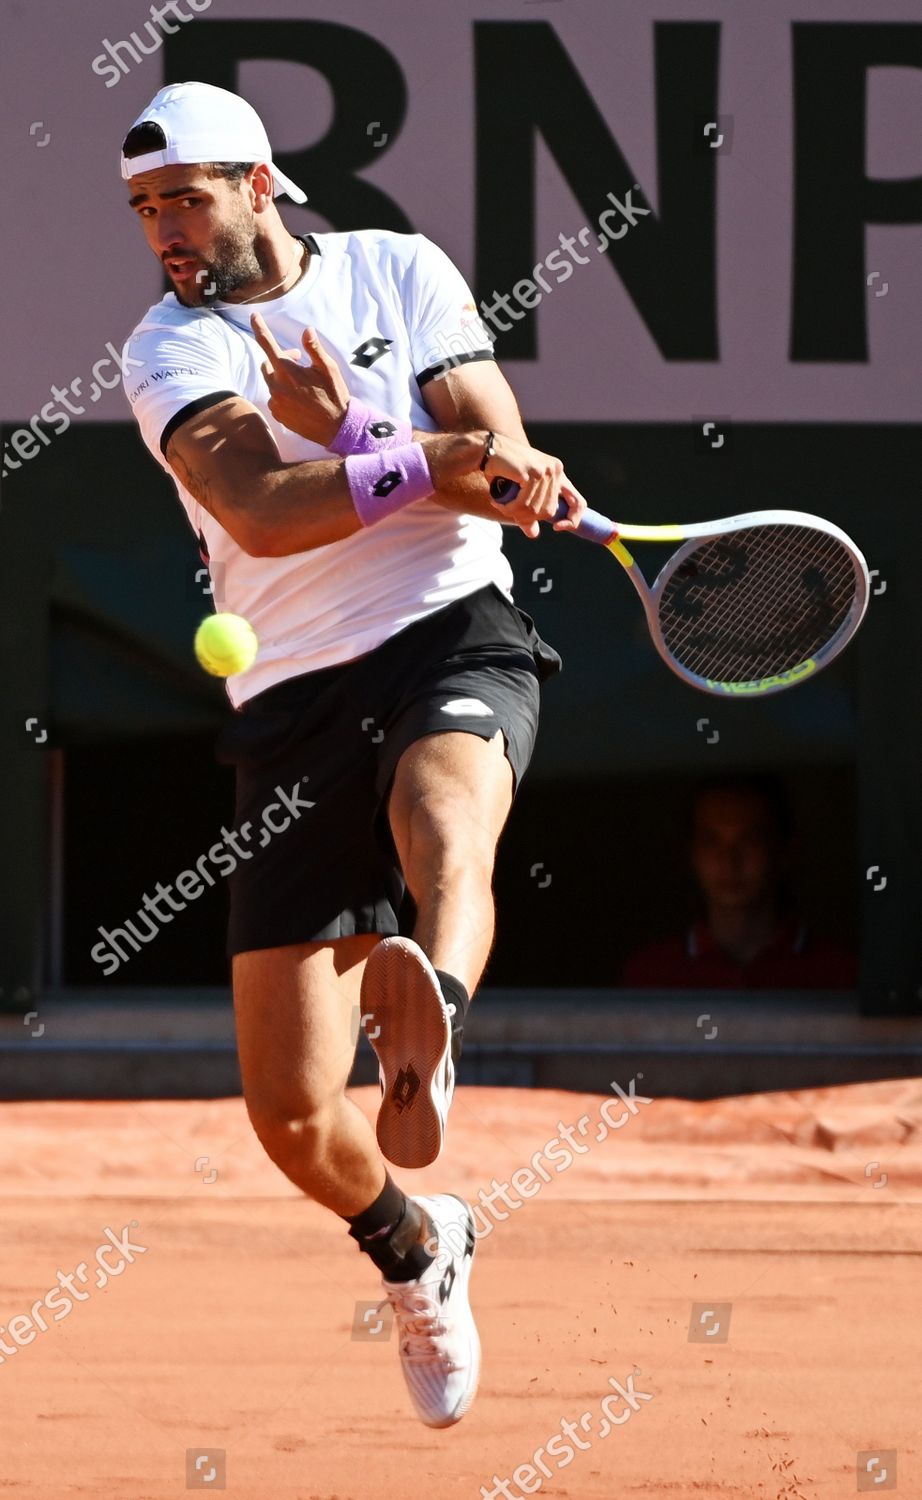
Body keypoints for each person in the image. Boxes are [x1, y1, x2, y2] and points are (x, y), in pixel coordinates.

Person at [120, 81, 585, 1429]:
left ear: (259, 185)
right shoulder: (167, 348)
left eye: (186, 198)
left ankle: (430, 1010)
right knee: (287, 1114)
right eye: (145, 208)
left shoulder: (397, 267)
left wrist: (443, 454)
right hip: (293, 699)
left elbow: (486, 447)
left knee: (448, 823)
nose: (164, 228)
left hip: (449, 626)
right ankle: (417, 1247)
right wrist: (403, 451)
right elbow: (260, 514)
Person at [621, 774, 857, 988]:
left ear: (784, 851)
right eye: (711, 842)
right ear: (693, 854)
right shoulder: (652, 974)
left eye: (749, 841)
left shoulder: (838, 973)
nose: (730, 861)